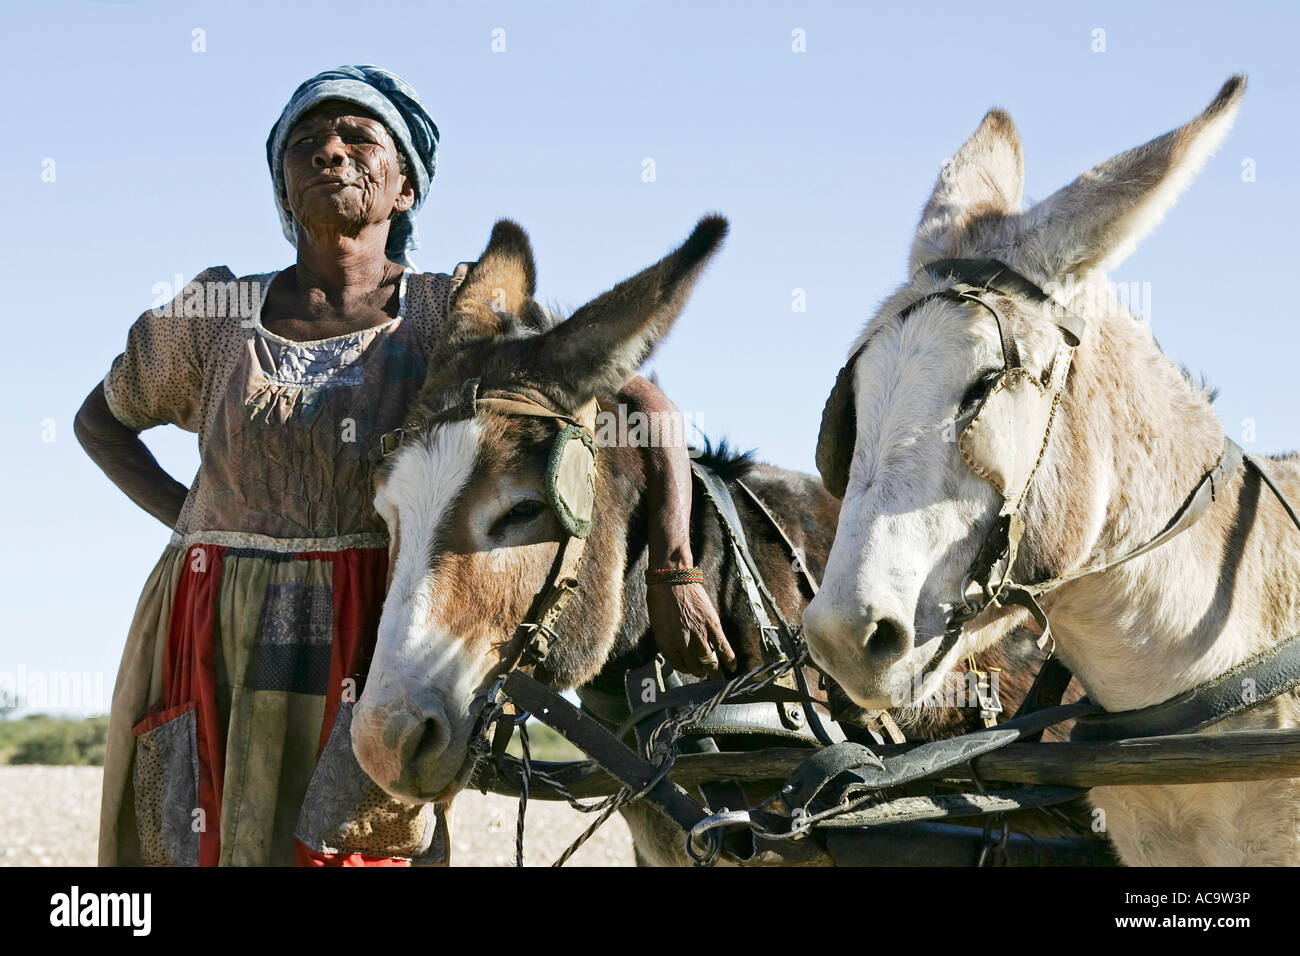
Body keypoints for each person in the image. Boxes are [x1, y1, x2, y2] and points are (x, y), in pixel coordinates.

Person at [74, 64, 731, 866]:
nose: (331, 153)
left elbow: (646, 405)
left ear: (406, 188)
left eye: (359, 138)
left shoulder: (448, 314)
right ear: (282, 187)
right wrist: (192, 518)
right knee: (191, 833)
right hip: (215, 621)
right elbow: (99, 423)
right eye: (306, 144)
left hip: (376, 625)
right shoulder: (212, 320)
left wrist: (675, 566)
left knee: (358, 846)